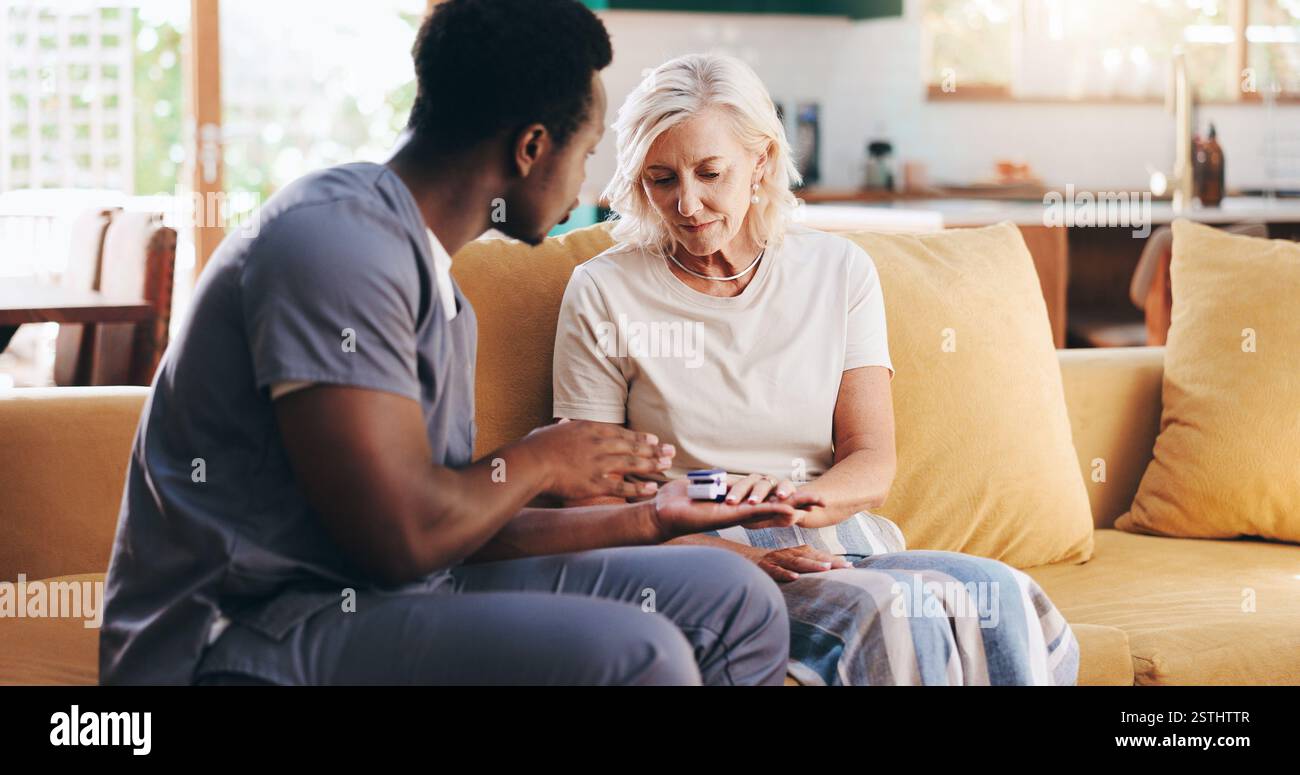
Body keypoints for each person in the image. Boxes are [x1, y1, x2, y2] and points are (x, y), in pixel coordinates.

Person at [100, 0, 807, 687]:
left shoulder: (438, 287)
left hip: (388, 593)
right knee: (637, 653)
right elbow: (401, 535)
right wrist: (540, 459)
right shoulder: (333, 246)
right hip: (237, 636)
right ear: (532, 149)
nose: (588, 180)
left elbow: (450, 524)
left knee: (733, 597)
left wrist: (649, 517)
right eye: (587, 151)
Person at [552, 52, 1080, 685]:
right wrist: (723, 550)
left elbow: (871, 461)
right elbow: (588, 497)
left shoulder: (840, 271)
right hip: (688, 558)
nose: (687, 204)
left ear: (761, 162)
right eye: (662, 179)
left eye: (709, 173)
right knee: (890, 611)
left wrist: (790, 501)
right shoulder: (603, 290)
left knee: (1005, 599)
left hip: (836, 541)